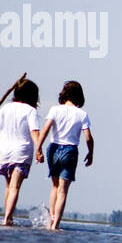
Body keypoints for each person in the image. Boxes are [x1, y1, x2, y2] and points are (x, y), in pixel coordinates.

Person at [34, 81, 93, 231]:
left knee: (54, 186)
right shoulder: (82, 114)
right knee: (63, 191)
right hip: (70, 151)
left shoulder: (55, 110)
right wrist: (90, 152)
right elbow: (88, 137)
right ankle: (55, 225)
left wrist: (38, 148)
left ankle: (50, 221)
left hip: (53, 148)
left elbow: (46, 129)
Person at [0, 78, 40, 226]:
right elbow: (35, 132)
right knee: (15, 186)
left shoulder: (6, 108)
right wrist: (39, 150)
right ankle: (7, 219)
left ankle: (7, 217)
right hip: (21, 153)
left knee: (8, 186)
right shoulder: (31, 111)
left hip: (5, 152)